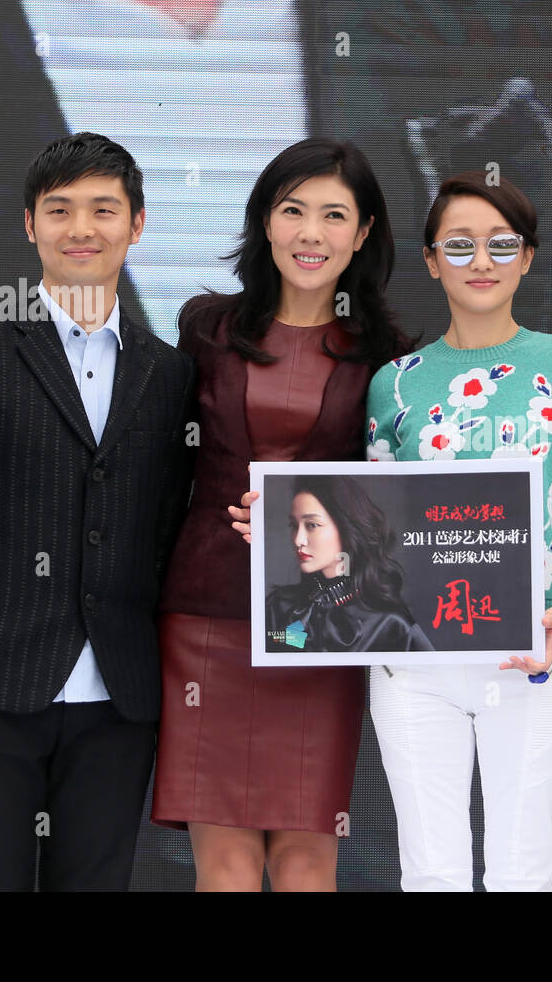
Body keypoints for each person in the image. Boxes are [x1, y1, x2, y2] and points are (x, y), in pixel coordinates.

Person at [0, 132, 196, 890]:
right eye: (59, 210)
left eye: (103, 209)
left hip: (118, 696)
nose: (81, 228)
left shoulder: (169, 372)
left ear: (139, 223)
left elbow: (163, 531)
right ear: (30, 224)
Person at [329, 170, 552, 890]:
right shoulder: (395, 382)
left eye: (500, 244)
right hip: (414, 662)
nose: (481, 261)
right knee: (431, 871)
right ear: (430, 260)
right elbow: (374, 519)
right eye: (459, 246)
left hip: (533, 651)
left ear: (526, 256)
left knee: (524, 868)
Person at [152, 138, 411, 891]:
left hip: (320, 626)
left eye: (334, 215)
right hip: (207, 618)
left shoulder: (388, 355)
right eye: (292, 209)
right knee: (225, 865)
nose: (310, 232)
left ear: (362, 234)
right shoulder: (206, 327)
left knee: (305, 862)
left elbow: (395, 508)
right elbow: (165, 464)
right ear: (265, 221)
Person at [264, 476, 435, 654]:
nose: (298, 540)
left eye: (312, 525)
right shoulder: (278, 606)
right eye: (293, 525)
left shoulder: (391, 624)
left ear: (346, 527)